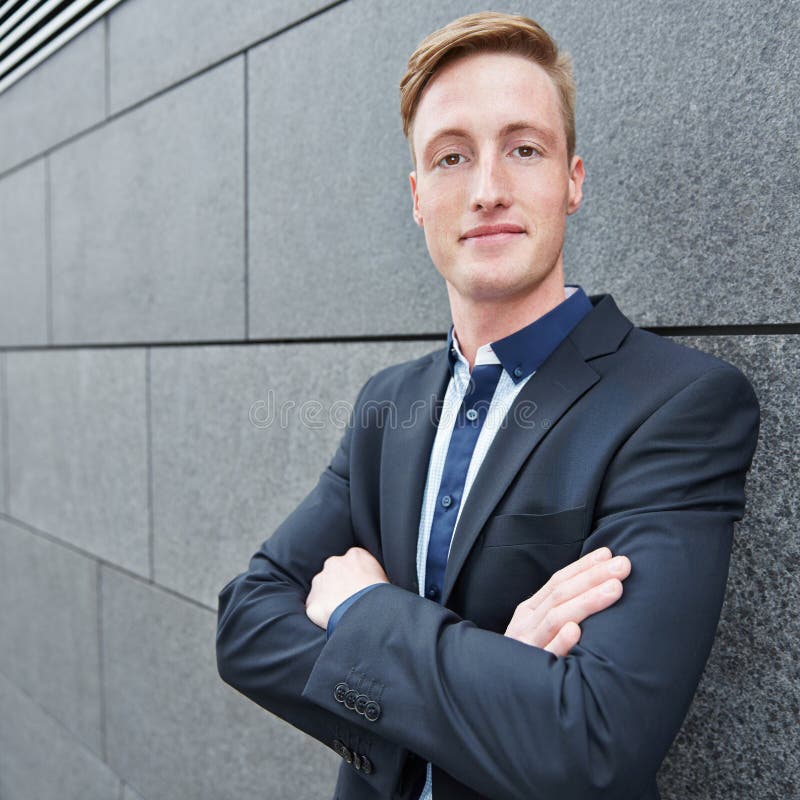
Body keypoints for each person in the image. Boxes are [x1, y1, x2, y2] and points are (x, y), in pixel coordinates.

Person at [216, 12, 760, 800]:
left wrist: (367, 612)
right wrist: (488, 682)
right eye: (451, 157)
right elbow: (246, 625)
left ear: (572, 178)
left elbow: (592, 745)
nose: (488, 190)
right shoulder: (388, 405)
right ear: (416, 197)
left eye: (524, 148)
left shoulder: (678, 406)